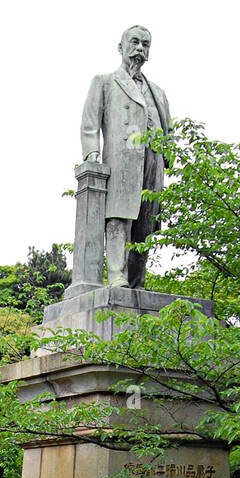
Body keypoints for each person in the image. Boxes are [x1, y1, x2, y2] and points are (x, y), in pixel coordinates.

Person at [80, 25, 171, 287]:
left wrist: (169, 156)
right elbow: (89, 123)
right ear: (121, 47)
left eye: (145, 44)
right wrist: (92, 153)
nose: (140, 48)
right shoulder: (105, 82)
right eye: (134, 42)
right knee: (119, 217)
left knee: (146, 226)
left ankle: (137, 282)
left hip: (153, 162)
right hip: (122, 159)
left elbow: (169, 128)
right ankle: (117, 275)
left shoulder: (159, 93)